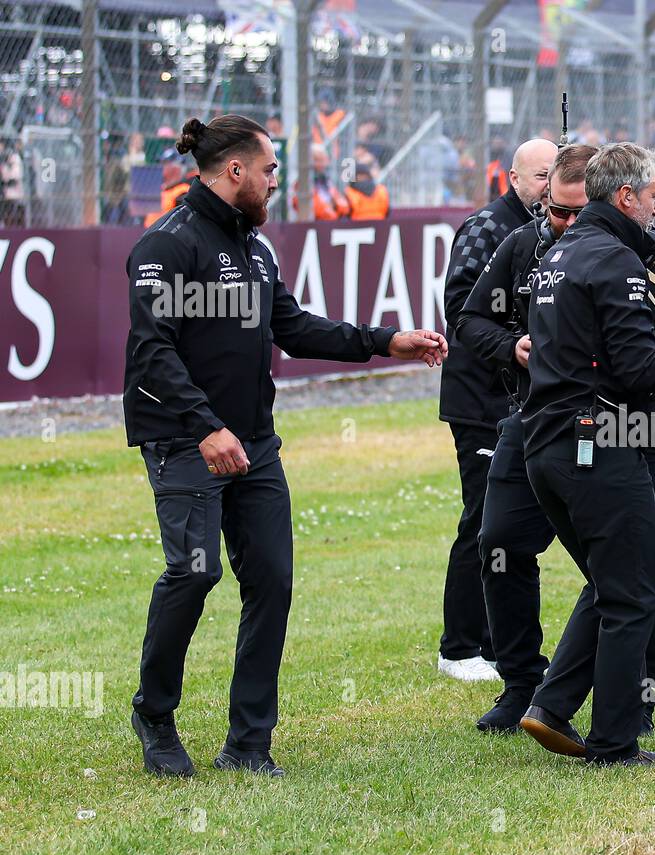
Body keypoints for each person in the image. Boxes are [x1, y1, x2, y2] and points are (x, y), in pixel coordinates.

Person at [123, 115, 448, 778]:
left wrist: (386, 341)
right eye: (270, 170)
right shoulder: (167, 244)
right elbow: (151, 350)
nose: (278, 182)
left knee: (271, 579)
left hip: (255, 445)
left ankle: (249, 743)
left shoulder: (256, 248)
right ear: (235, 170)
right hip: (186, 440)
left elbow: (294, 329)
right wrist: (205, 427)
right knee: (194, 572)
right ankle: (154, 713)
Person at [517, 143, 655, 766]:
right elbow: (637, 367)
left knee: (612, 580)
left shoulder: (558, 253)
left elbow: (611, 344)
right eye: (653, 195)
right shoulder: (615, 259)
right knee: (632, 594)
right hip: (598, 439)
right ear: (625, 196)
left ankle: (551, 706)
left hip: (547, 444)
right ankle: (615, 742)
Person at [437, 138, 557, 682]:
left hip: (523, 398)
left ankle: (495, 644)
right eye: (539, 177)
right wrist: (512, 344)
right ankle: (460, 648)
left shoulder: (560, 231)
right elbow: (460, 309)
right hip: (481, 397)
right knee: (482, 519)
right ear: (512, 177)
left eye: (557, 177)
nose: (548, 188)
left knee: (508, 525)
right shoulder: (487, 227)